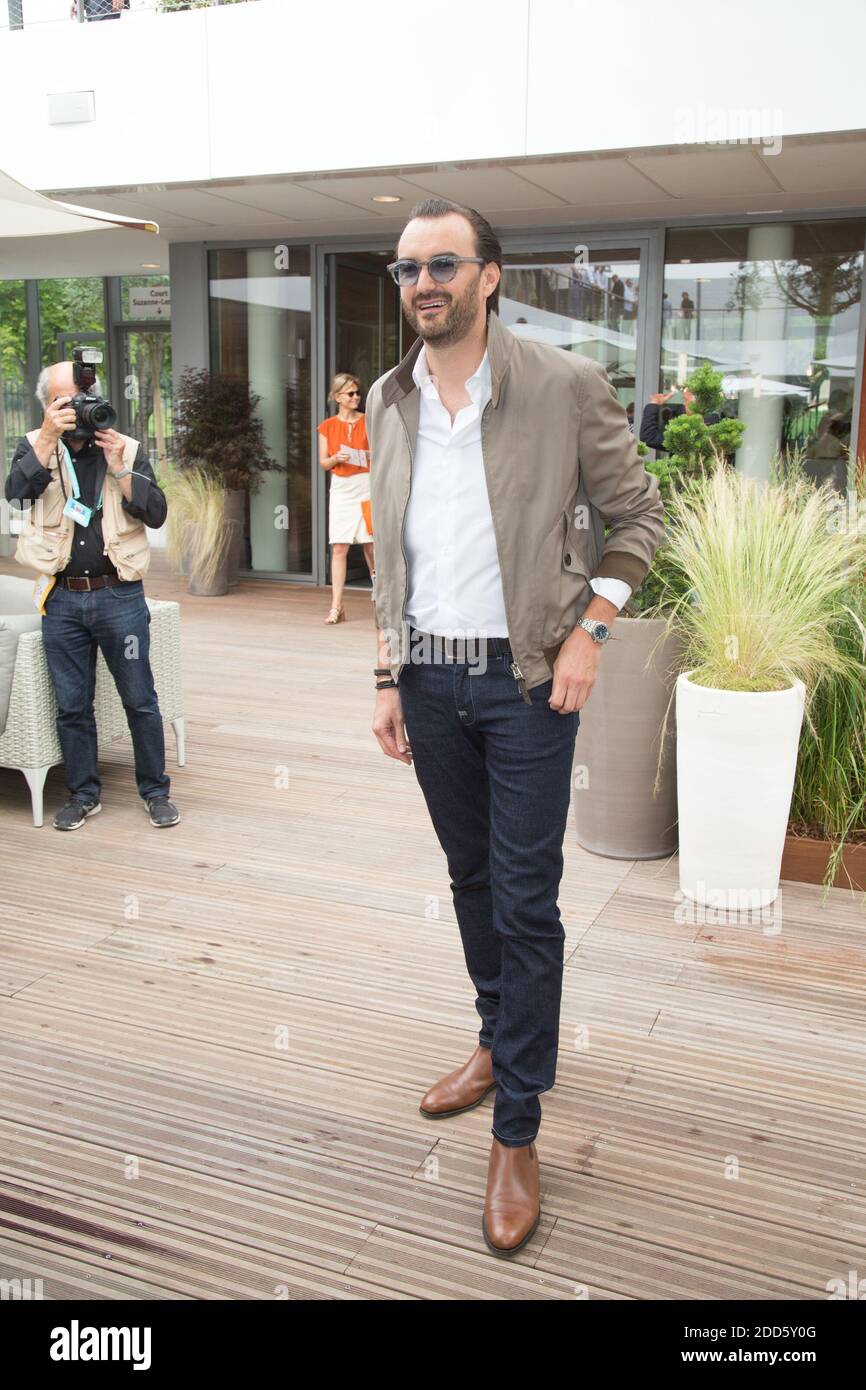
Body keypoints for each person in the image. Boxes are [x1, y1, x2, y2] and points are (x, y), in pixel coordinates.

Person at [367, 199, 665, 1255]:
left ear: (488, 275)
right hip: (430, 680)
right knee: (470, 878)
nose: (421, 283)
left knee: (526, 899)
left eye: (442, 263)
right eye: (406, 268)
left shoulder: (561, 385)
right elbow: (388, 550)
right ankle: (498, 1038)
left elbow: (638, 519)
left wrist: (590, 630)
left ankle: (517, 1128)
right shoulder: (389, 399)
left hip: (528, 678)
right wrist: (386, 673)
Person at [4, 361, 179, 831]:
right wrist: (44, 439)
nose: (81, 409)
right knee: (72, 704)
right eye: (67, 401)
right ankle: (83, 793)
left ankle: (154, 791)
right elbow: (16, 497)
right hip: (61, 599)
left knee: (140, 699)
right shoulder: (36, 446)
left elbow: (156, 514)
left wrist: (121, 469)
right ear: (49, 405)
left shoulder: (124, 447)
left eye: (85, 398)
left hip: (119, 596)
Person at [317, 373, 374, 624]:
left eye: (357, 393)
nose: (356, 397)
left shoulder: (368, 421)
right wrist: (336, 459)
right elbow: (323, 462)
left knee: (372, 545)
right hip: (342, 488)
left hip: (367, 485)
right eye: (350, 394)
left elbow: (380, 452)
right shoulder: (327, 426)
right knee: (339, 546)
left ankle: (382, 601)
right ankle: (336, 607)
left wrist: (364, 455)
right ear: (338, 397)